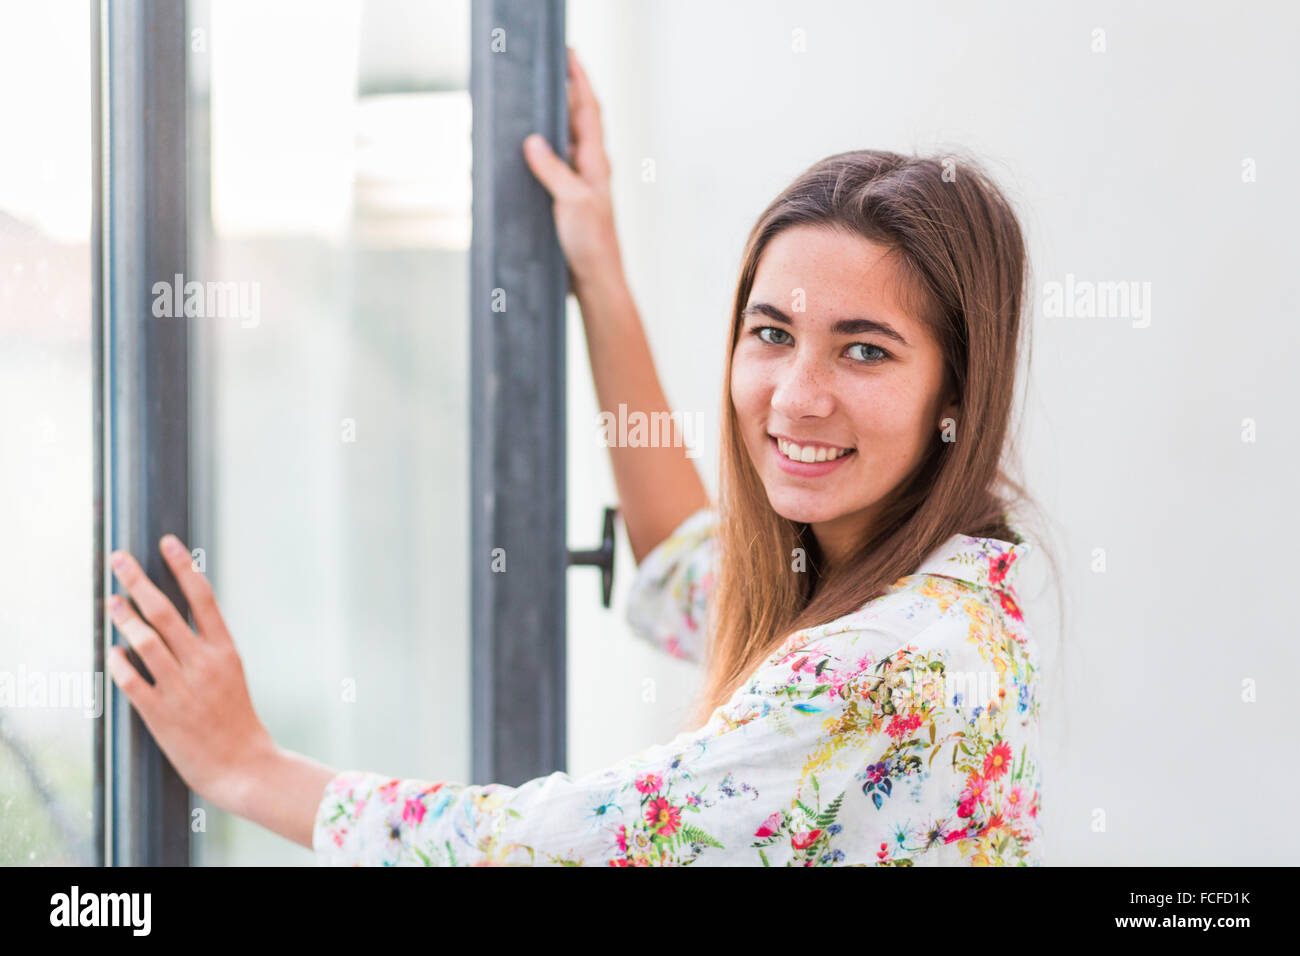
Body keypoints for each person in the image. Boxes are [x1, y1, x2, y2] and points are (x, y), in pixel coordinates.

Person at [105, 48, 1045, 866]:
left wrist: (248, 769)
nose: (797, 395)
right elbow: (692, 565)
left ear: (957, 394)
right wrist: (597, 274)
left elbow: (550, 846)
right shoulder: (936, 591)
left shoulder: (893, 665)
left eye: (865, 349)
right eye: (771, 333)